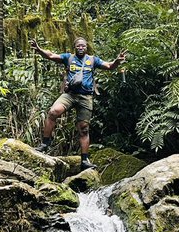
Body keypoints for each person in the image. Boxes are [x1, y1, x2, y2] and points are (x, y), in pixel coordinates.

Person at [30, 36, 127, 170]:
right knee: (53, 112)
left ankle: (85, 159)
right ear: (74, 47)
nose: (81, 48)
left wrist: (117, 61)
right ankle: (45, 143)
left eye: (83, 46)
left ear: (86, 48)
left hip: (85, 97)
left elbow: (110, 66)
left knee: (84, 129)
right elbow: (51, 55)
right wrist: (39, 49)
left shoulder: (93, 60)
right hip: (69, 95)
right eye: (78, 46)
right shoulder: (68, 58)